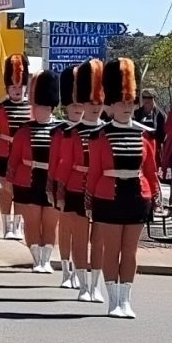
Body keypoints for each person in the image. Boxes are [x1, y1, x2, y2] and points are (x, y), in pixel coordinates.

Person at [87, 58, 160, 319]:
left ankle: (126, 301)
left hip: (137, 197)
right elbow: (94, 172)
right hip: (108, 196)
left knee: (130, 250)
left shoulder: (146, 134)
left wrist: (155, 195)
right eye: (121, 102)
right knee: (111, 249)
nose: (126, 107)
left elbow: (150, 170)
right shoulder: (98, 135)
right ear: (110, 106)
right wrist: (89, 199)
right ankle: (112, 300)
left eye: (130, 102)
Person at [6, 70, 61, 273]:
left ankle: (46, 260)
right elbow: (14, 160)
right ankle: (36, 259)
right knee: (32, 222)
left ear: (51, 107)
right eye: (35, 106)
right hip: (27, 181)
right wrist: (10, 184)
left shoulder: (61, 130)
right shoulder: (24, 130)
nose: (37, 110)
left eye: (42, 107)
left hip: (51, 181)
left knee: (49, 223)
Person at [67, 60, 106, 303]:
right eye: (90, 102)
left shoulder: (109, 131)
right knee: (80, 238)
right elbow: (63, 163)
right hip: (76, 186)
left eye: (99, 102)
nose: (94, 107)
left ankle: (97, 285)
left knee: (100, 241)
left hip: (102, 189)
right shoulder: (69, 132)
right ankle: (83, 285)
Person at [0, 54, 30, 240]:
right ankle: (7, 226)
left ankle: (18, 226)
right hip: (4, 153)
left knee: (21, 190)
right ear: (7, 87)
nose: (17, 90)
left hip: (25, 155)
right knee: (7, 189)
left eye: (20, 86)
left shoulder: (31, 107)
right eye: (13, 86)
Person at [50, 67, 84, 291]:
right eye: (73, 106)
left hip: (85, 186)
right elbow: (54, 161)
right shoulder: (59, 131)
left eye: (80, 105)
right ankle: (65, 269)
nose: (77, 110)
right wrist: (53, 187)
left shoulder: (95, 129)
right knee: (65, 229)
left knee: (83, 233)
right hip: (63, 183)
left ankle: (81, 270)